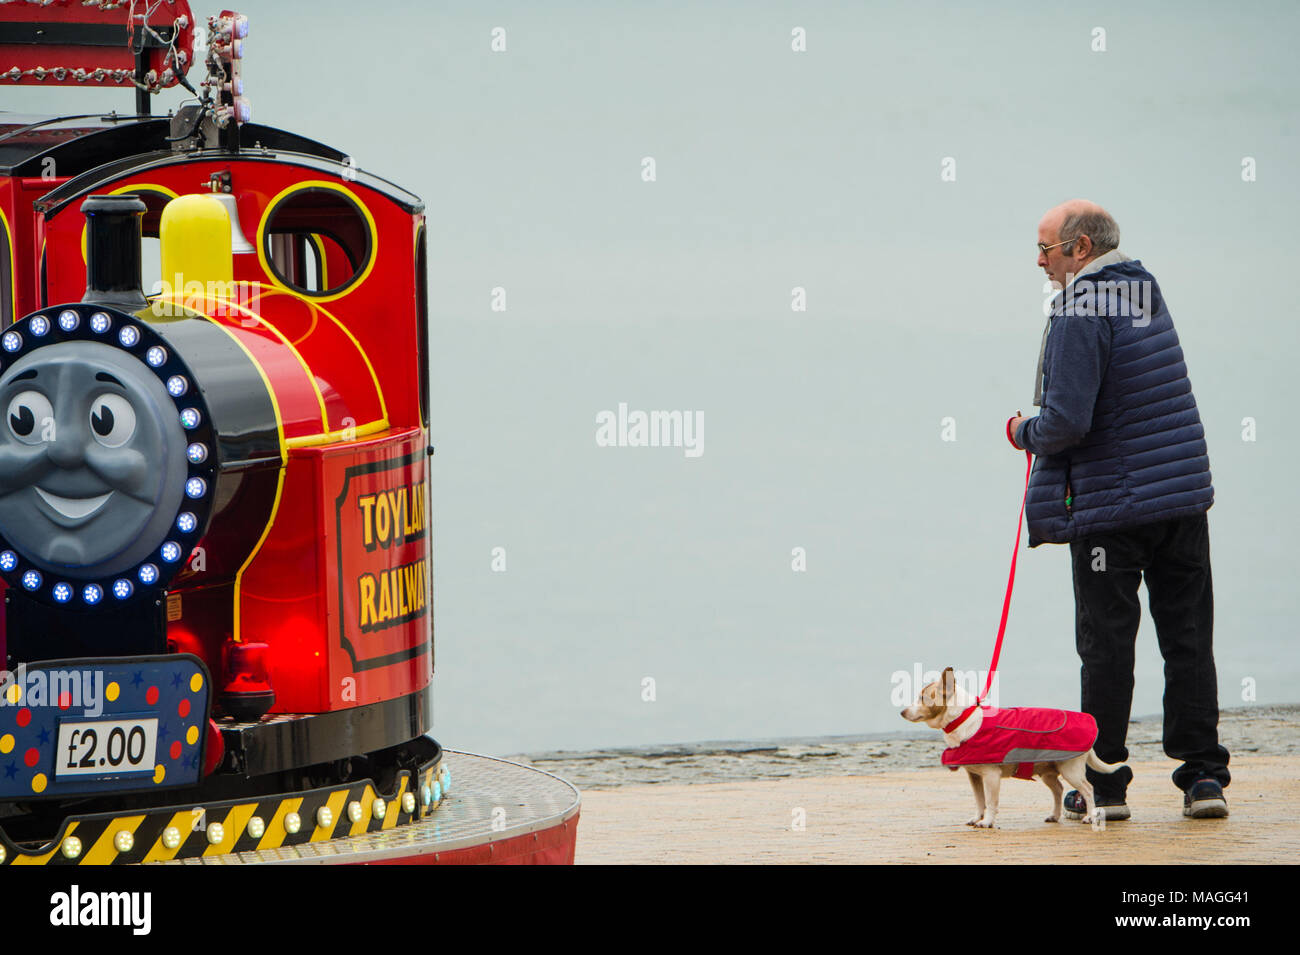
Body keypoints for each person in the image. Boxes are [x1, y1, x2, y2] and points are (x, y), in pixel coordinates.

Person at [1006, 200, 1229, 820]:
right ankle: (1203, 779)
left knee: (1106, 647)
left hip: (1114, 510)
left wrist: (1023, 429)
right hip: (1182, 498)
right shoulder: (1142, 289)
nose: (1042, 263)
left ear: (1080, 247)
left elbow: (1067, 422)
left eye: (1046, 249)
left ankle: (1105, 787)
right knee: (1187, 639)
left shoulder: (1079, 310)